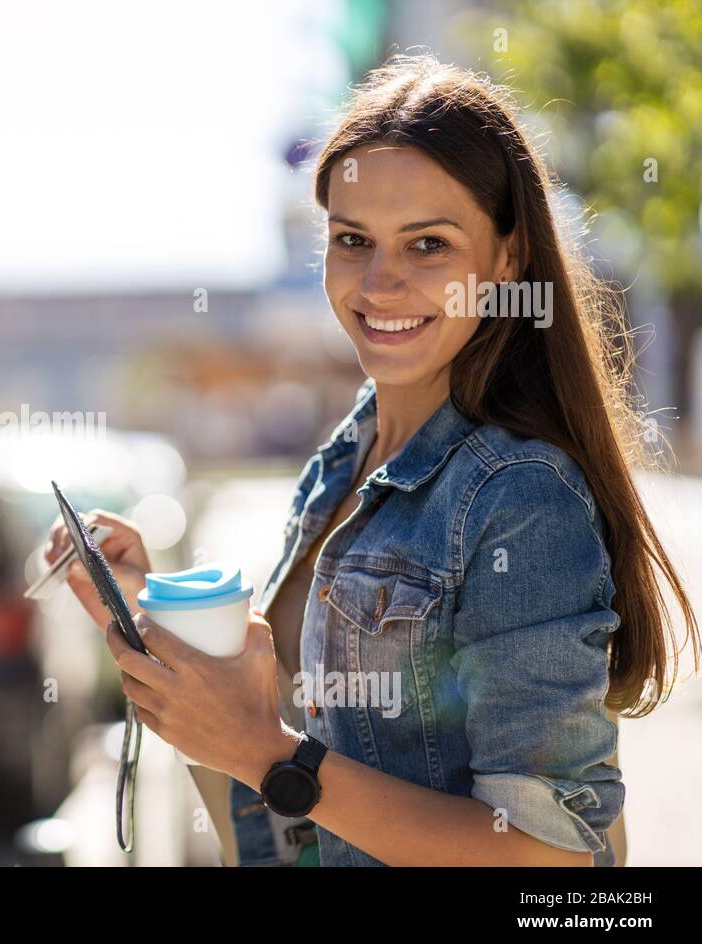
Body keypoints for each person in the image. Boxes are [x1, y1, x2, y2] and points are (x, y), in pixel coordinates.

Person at [44, 54, 698, 866]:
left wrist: (264, 753)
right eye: (352, 240)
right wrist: (156, 627)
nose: (380, 282)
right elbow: (286, 829)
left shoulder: (521, 499)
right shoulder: (344, 461)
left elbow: (550, 862)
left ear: (507, 260)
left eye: (428, 244)